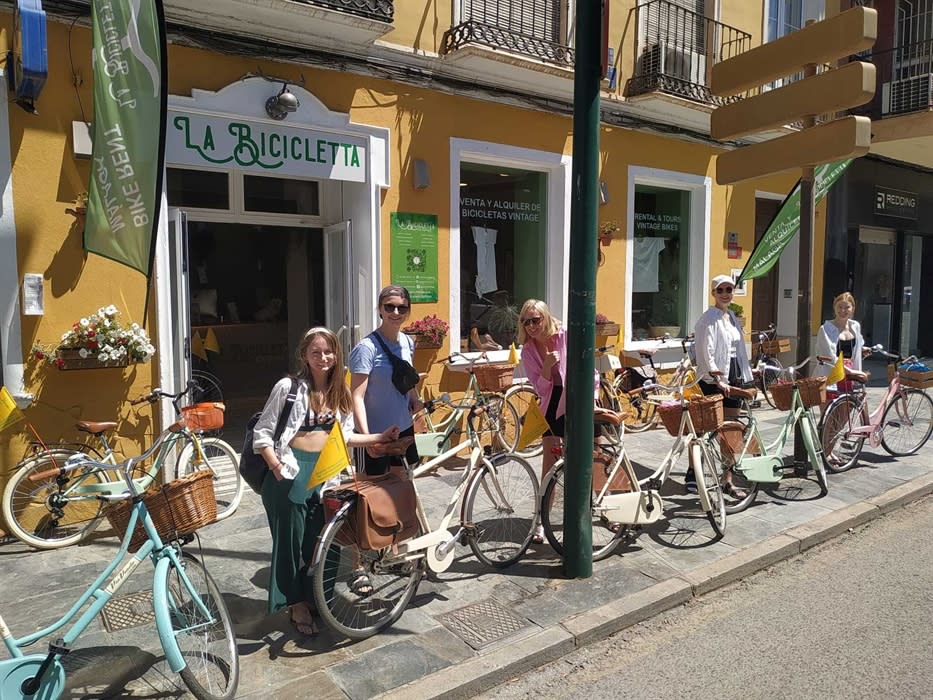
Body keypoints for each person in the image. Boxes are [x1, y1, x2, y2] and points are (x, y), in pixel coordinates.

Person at [253, 327, 399, 636]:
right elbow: (263, 433)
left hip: (325, 472)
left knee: (324, 539)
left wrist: (378, 437)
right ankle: (296, 604)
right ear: (304, 355)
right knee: (291, 544)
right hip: (290, 471)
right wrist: (275, 465)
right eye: (316, 352)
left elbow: (344, 435)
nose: (323, 357)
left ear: (336, 355)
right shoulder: (288, 387)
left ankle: (319, 597)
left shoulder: (339, 392)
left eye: (328, 351)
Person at [518, 299, 599, 543]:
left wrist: (593, 398)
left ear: (546, 317)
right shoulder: (528, 350)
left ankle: (604, 508)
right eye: (526, 321)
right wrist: (546, 368)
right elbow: (540, 388)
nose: (532, 326)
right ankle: (541, 522)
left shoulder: (565, 335)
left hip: (580, 402)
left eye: (536, 319)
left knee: (596, 457)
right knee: (549, 468)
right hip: (553, 406)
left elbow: (588, 368)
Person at [350, 285, 423, 475]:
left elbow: (405, 378)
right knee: (372, 494)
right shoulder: (366, 348)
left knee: (401, 487)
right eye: (389, 307)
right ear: (380, 309)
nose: (396, 312)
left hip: (403, 429)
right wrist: (367, 438)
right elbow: (357, 397)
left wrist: (414, 397)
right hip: (375, 433)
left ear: (408, 311)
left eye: (402, 308)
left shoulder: (408, 342)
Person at [694, 274, 755, 498]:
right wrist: (716, 377)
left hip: (733, 374)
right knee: (705, 431)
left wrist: (748, 371)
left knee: (730, 430)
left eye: (729, 289)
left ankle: (727, 480)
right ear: (713, 293)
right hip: (713, 379)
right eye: (720, 290)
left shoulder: (732, 317)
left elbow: (737, 349)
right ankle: (696, 474)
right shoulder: (707, 319)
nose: (725, 293)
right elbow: (705, 351)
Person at [815, 292, 867, 399]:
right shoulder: (825, 329)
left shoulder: (855, 326)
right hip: (831, 375)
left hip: (848, 377)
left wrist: (863, 350)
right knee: (829, 413)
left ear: (852, 309)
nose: (843, 310)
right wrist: (851, 371)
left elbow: (858, 345)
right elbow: (828, 357)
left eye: (847, 307)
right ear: (834, 307)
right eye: (839, 307)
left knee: (846, 414)